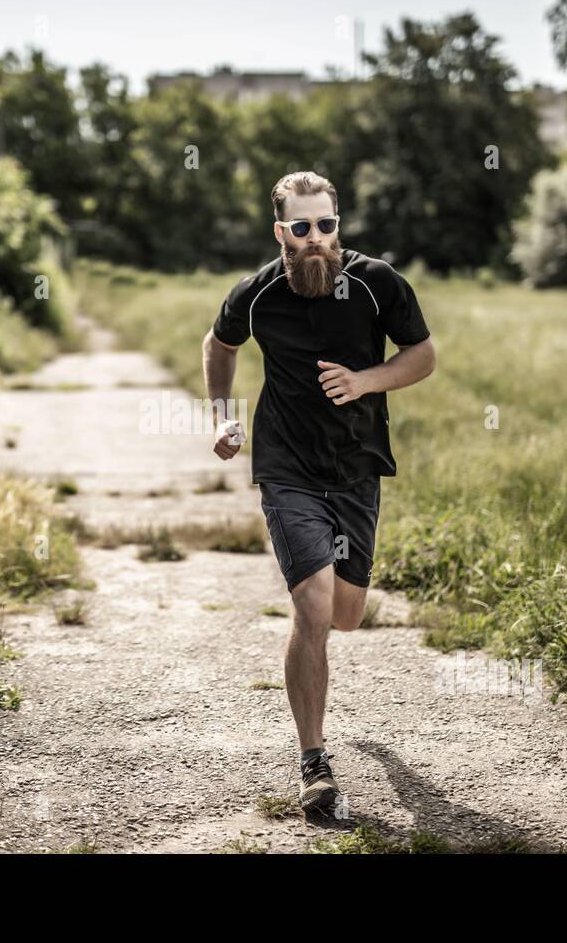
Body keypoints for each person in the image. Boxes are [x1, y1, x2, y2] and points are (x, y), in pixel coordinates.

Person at [201, 170, 437, 811]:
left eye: (326, 226)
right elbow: (218, 346)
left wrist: (365, 382)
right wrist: (223, 415)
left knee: (345, 615)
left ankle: (321, 708)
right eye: (301, 228)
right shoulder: (258, 293)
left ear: (339, 225)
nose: (316, 240)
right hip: (286, 466)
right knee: (312, 606)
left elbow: (422, 355)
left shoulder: (377, 283)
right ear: (281, 232)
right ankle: (314, 761)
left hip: (357, 466)